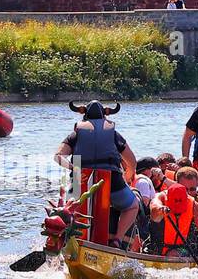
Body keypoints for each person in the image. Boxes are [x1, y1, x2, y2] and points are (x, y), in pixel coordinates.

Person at [54, 100, 139, 249]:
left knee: (65, 207)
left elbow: (58, 157)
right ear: (104, 116)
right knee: (132, 206)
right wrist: (128, 175)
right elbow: (132, 161)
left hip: (79, 181)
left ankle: (63, 239)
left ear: (84, 117)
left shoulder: (75, 134)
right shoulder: (113, 134)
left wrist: (74, 168)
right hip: (111, 181)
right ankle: (117, 240)